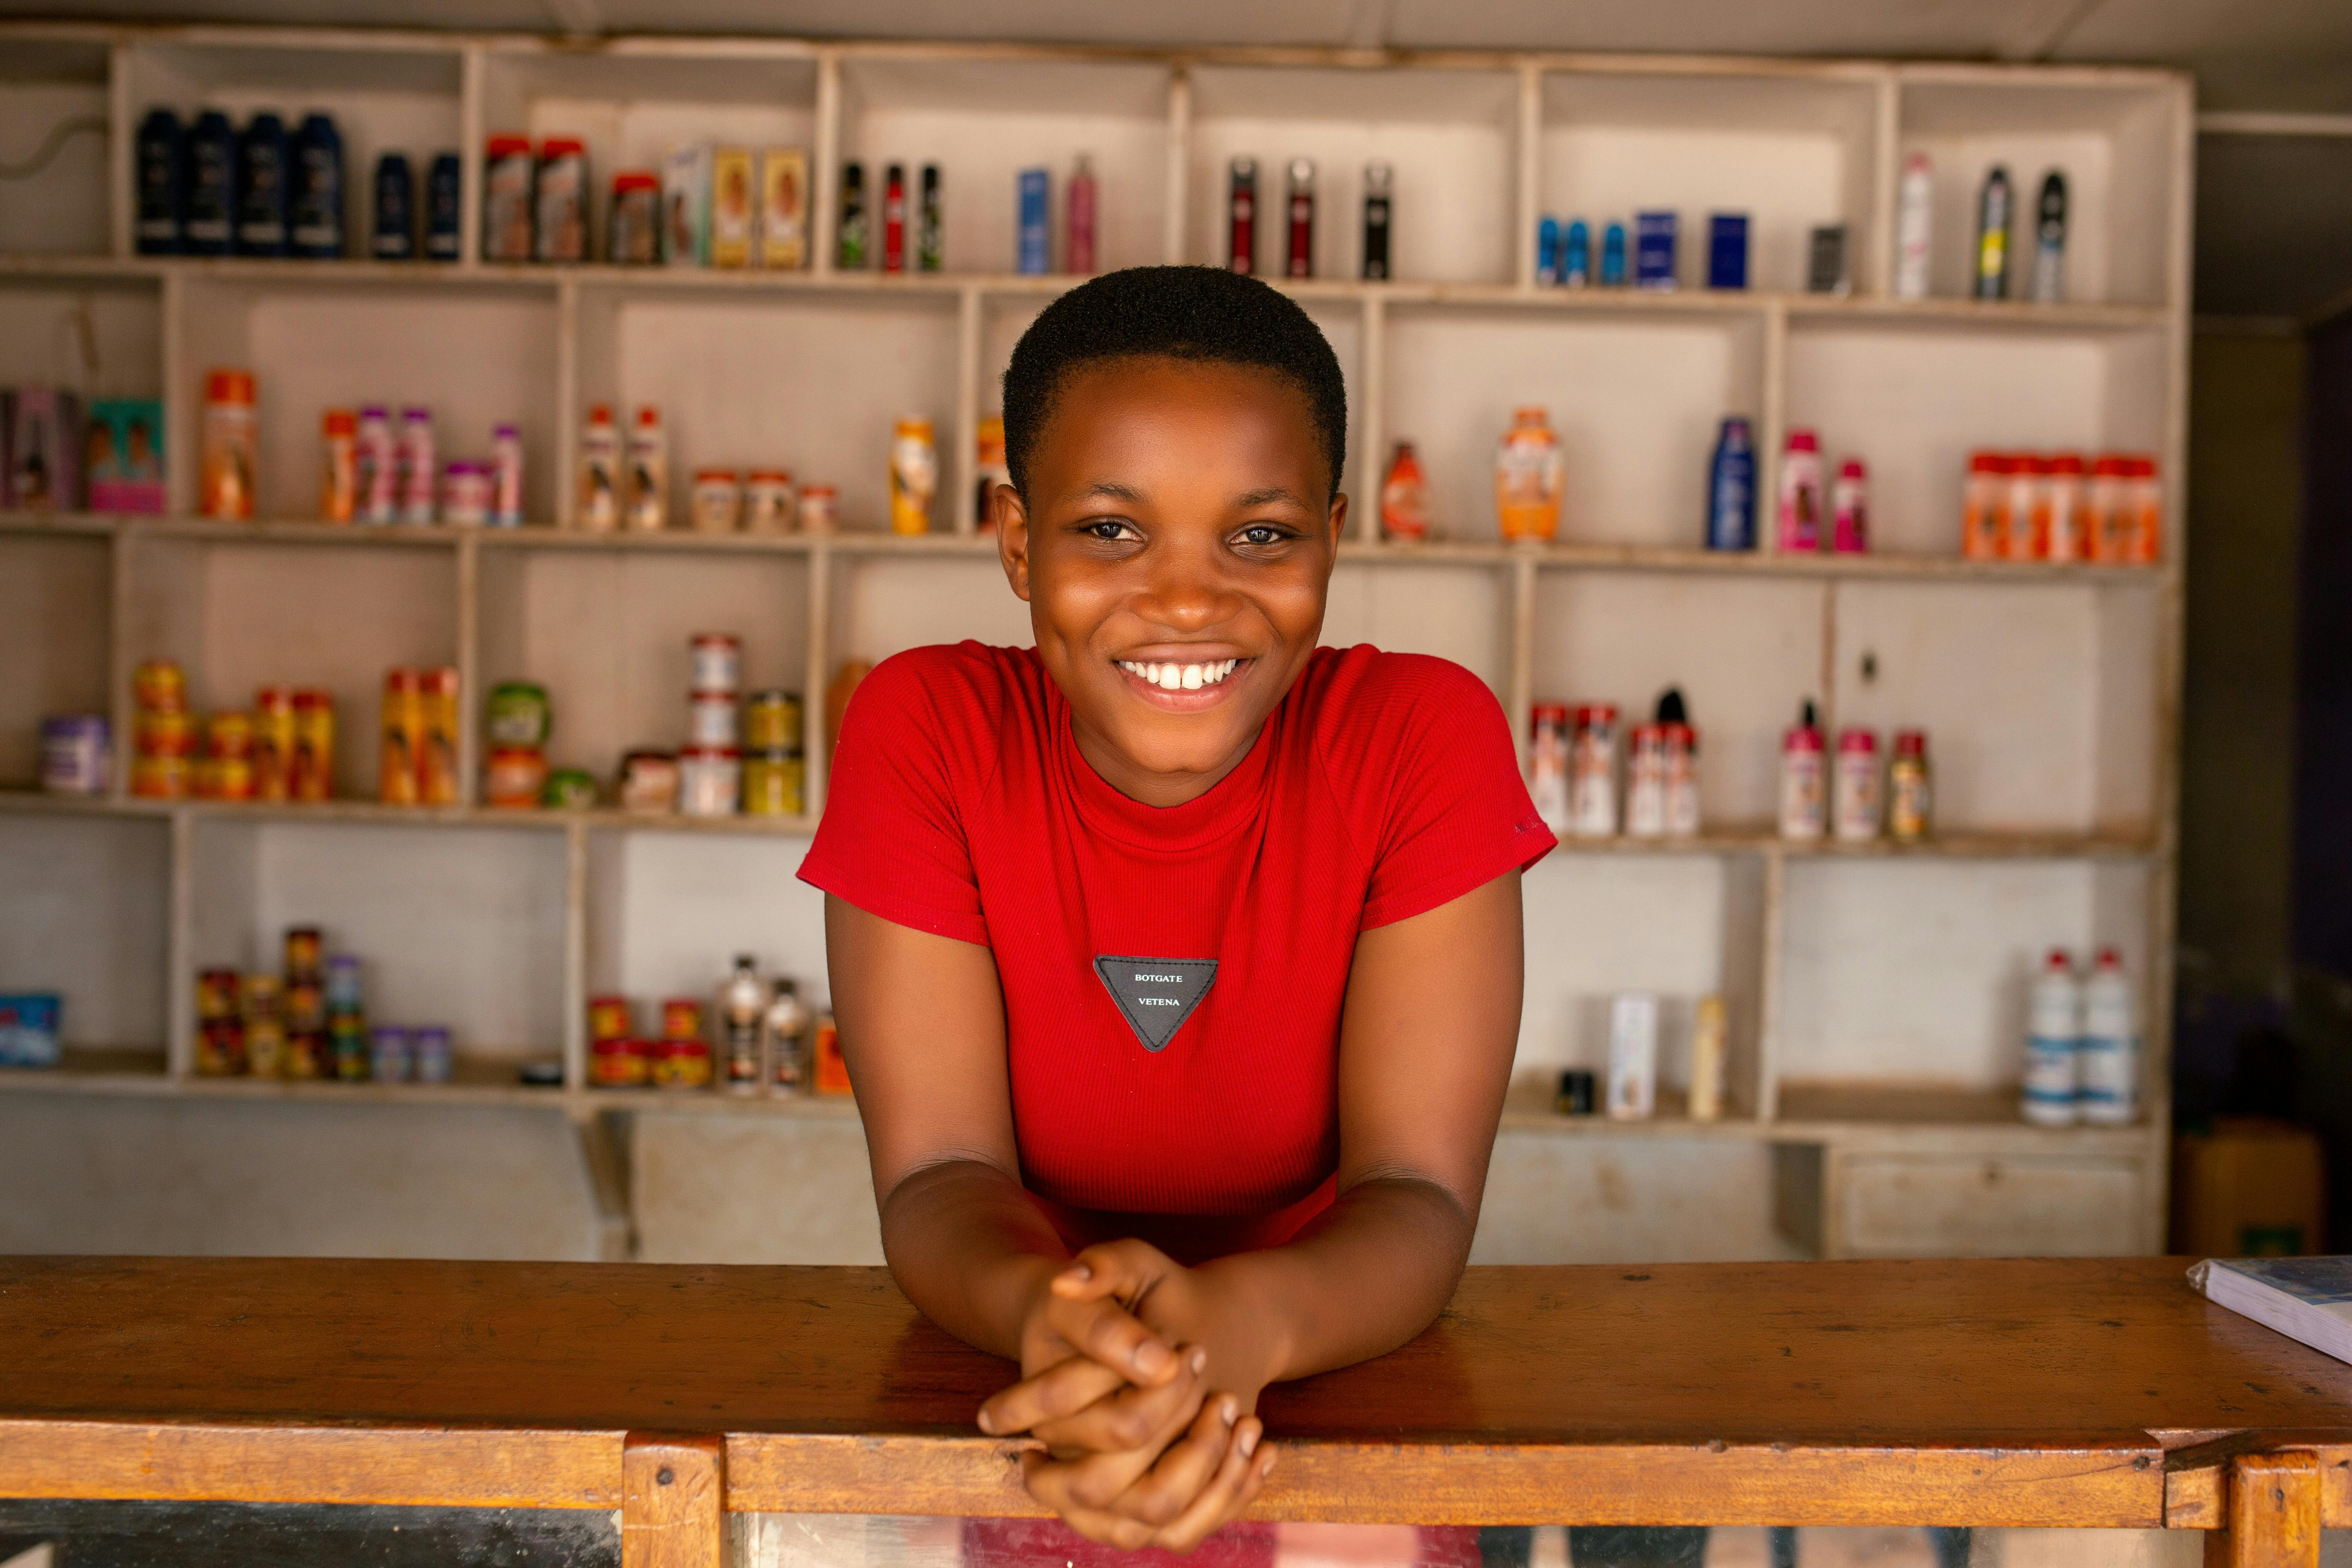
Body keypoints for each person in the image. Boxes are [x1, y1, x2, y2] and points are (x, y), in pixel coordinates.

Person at [799, 265, 1554, 1557]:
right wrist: (1057, 1318)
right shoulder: (926, 731)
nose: (1192, 598)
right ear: (1016, 542)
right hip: (1041, 1388)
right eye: (1110, 529)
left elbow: (1416, 1191)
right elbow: (939, 1175)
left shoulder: (1421, 739)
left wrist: (1241, 1329)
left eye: (1259, 535)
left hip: (1333, 1375)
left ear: (1332, 534)